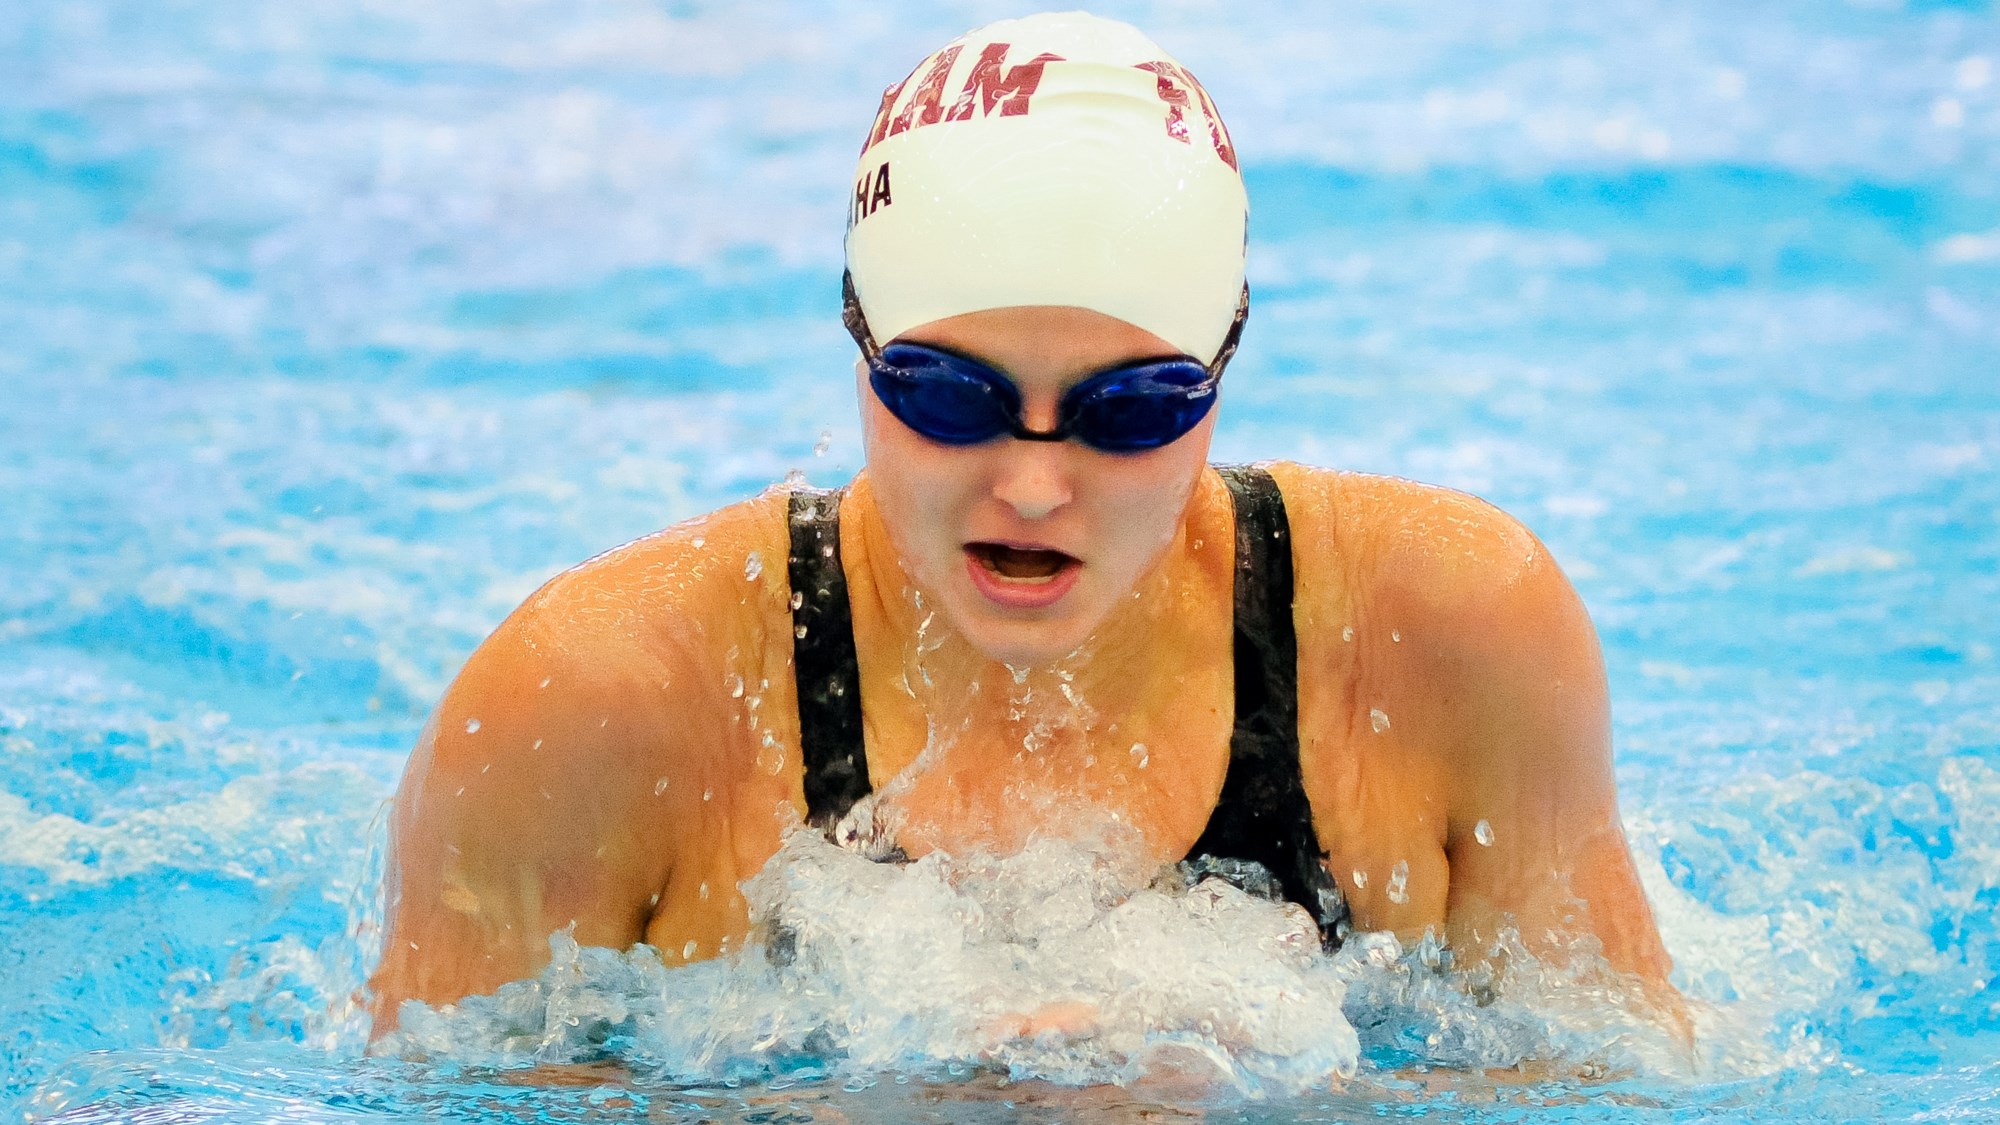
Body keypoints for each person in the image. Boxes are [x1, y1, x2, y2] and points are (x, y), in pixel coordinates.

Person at [367, 11, 1684, 1043]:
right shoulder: (592, 702)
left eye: (1126, 409)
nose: (1037, 484)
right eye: (952, 395)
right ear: (856, 339)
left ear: (1222, 371)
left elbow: (1609, 1085)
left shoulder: (1451, 635)